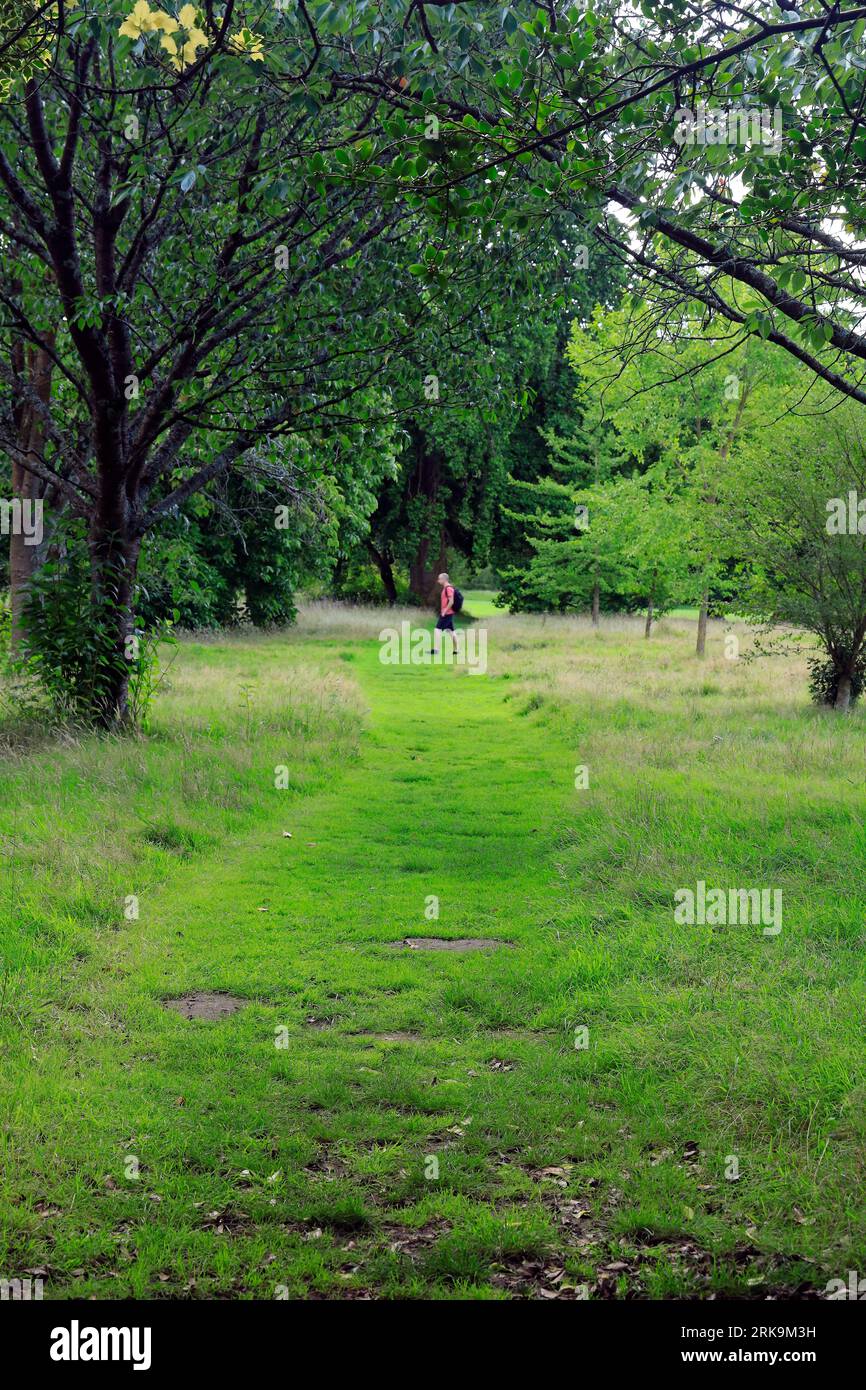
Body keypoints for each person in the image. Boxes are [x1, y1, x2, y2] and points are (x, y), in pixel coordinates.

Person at [434, 572, 459, 658]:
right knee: (451, 632)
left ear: (444, 579)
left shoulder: (448, 588)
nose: (438, 581)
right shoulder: (446, 588)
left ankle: (436, 650)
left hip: (447, 613)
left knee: (437, 630)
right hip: (448, 613)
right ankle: (456, 651)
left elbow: (451, 601)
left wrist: (445, 611)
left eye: (439, 579)